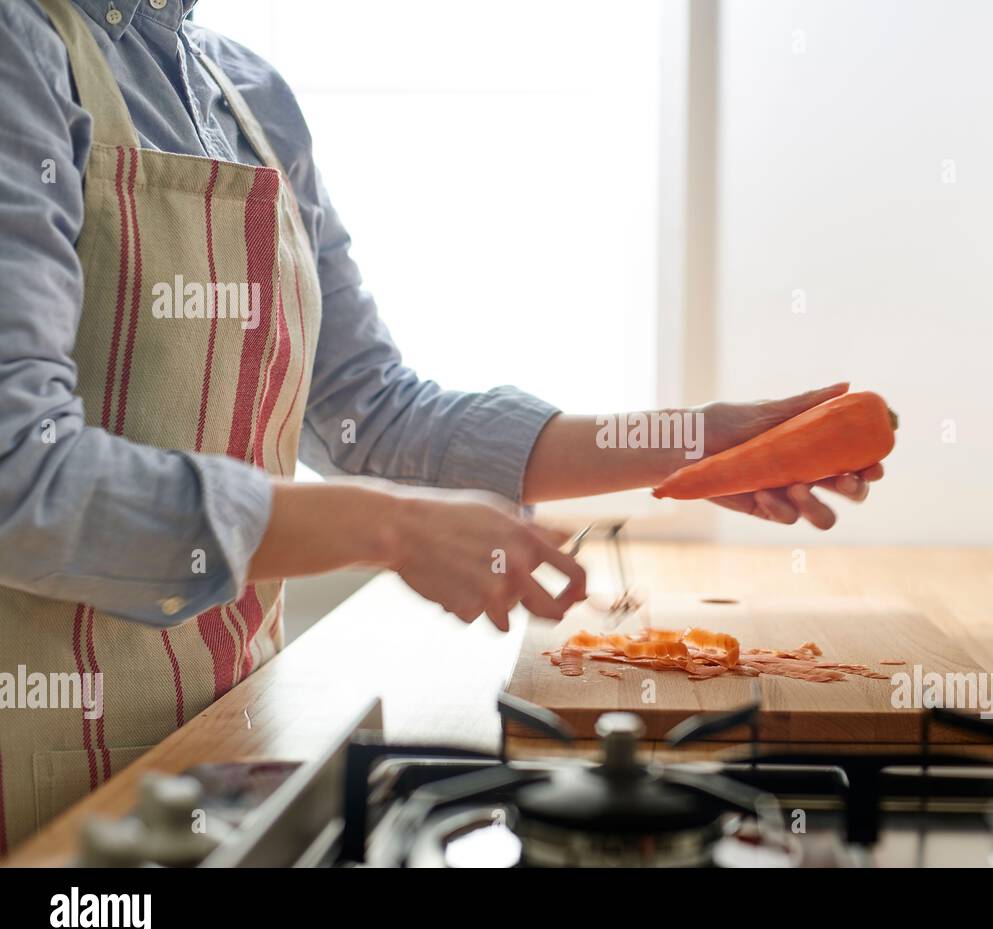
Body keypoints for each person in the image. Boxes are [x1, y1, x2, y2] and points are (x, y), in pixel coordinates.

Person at [0, 0, 884, 854]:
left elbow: (373, 407)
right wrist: (388, 527)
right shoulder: (19, 50)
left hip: (221, 741)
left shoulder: (245, 90)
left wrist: (698, 440)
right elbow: (20, 475)